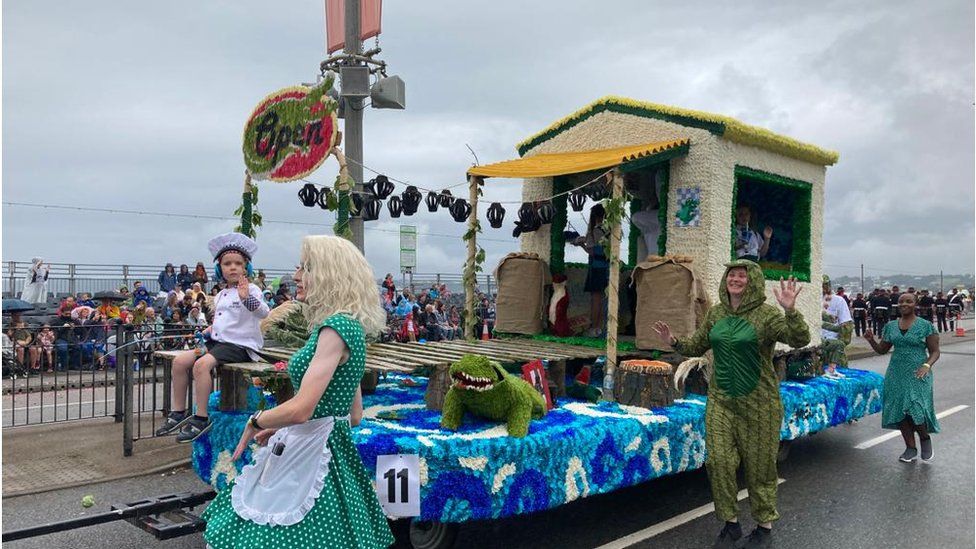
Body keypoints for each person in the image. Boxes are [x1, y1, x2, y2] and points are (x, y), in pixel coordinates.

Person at [201, 234, 394, 549]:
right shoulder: (350, 326)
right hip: (326, 446)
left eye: (305, 268)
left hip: (312, 451)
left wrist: (258, 421)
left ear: (329, 275)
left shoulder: (334, 329)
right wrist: (282, 426)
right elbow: (354, 414)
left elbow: (302, 408)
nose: (296, 275)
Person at [653, 260, 808, 548]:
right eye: (731, 275)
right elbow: (697, 345)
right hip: (721, 401)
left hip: (760, 404)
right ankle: (730, 524)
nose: (735, 279)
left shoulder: (767, 315)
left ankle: (764, 527)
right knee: (719, 462)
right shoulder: (717, 313)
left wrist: (790, 310)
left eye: (742, 276)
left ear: (753, 282)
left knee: (760, 468)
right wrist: (673, 340)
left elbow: (799, 339)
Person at [155, 233, 269, 443]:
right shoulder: (221, 294)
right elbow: (225, 321)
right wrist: (211, 329)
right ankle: (178, 411)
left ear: (246, 268)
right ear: (220, 269)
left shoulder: (252, 289)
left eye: (238, 263)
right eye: (227, 264)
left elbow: (263, 312)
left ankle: (201, 417)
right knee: (180, 362)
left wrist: (246, 298)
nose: (233, 268)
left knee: (201, 366)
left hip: (240, 345)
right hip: (219, 342)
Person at [864, 292, 941, 462]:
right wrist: (871, 340)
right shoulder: (891, 326)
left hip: (918, 372)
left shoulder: (926, 326)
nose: (904, 304)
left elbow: (935, 352)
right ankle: (910, 448)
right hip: (896, 372)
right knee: (899, 410)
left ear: (915, 304)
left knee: (916, 408)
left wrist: (926, 365)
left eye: (908, 301)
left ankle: (924, 438)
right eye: (901, 302)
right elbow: (882, 350)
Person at [572, 203, 609, 337]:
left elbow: (593, 251)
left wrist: (581, 244)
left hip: (597, 268)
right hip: (606, 267)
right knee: (602, 299)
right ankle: (600, 327)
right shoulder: (609, 230)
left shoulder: (596, 230)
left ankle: (594, 327)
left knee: (596, 299)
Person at [821, 292, 853, 378]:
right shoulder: (807, 298)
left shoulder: (838, 300)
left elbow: (846, 327)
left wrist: (839, 349)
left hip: (833, 348)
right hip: (813, 352)